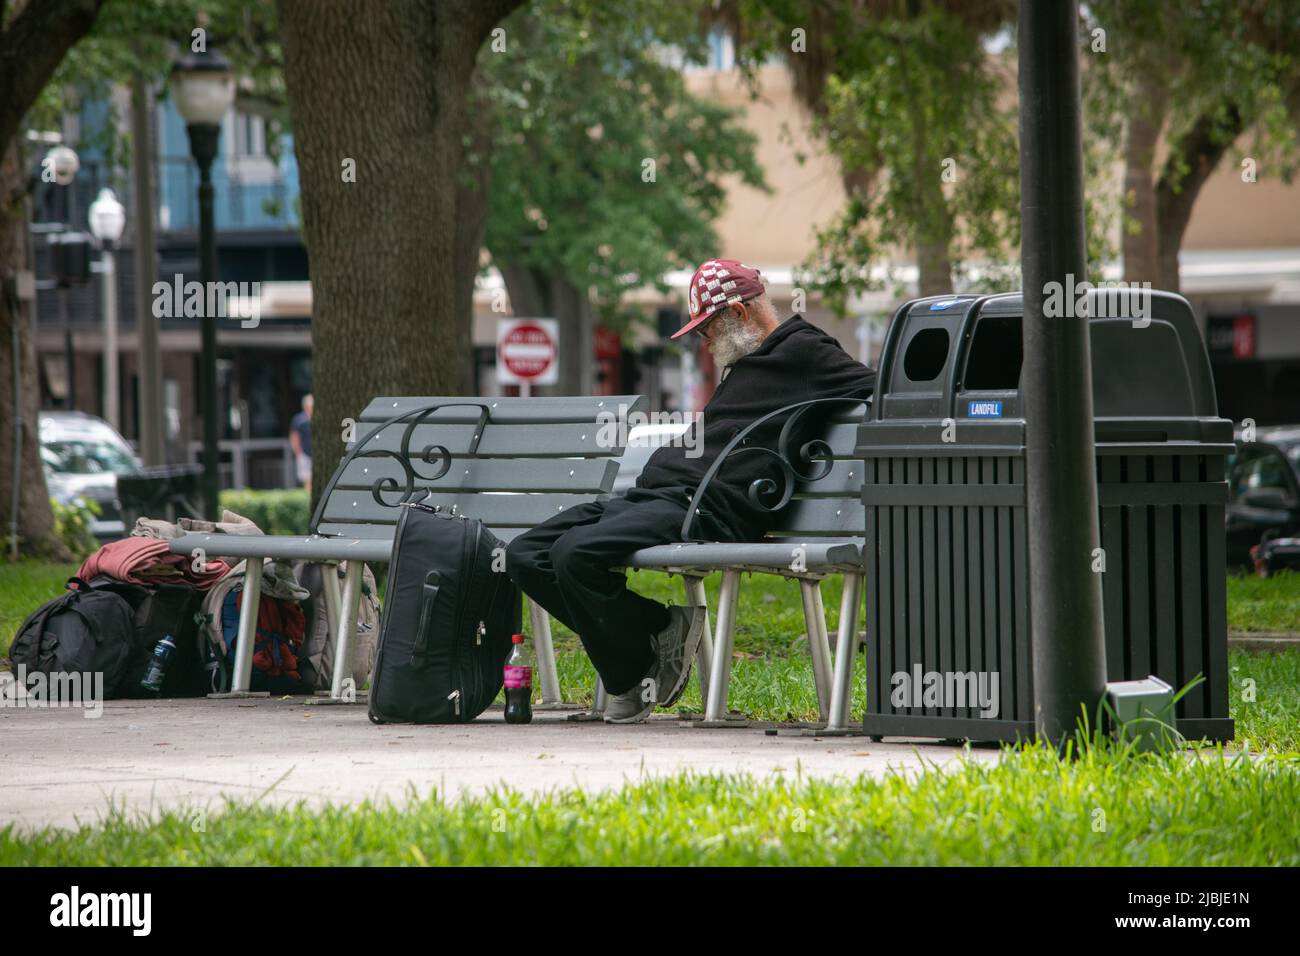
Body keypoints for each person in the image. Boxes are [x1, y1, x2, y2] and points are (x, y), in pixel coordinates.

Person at [506, 258, 876, 723]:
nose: (704, 343)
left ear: (739, 315)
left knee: (575, 556)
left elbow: (880, 389)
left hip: (707, 507)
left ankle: (632, 675)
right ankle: (659, 630)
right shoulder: (745, 362)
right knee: (525, 554)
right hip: (660, 495)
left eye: (708, 330)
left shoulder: (806, 352)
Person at [289, 394, 313, 493]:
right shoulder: (299, 420)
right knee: (307, 479)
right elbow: (294, 437)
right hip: (304, 454)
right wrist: (298, 453)